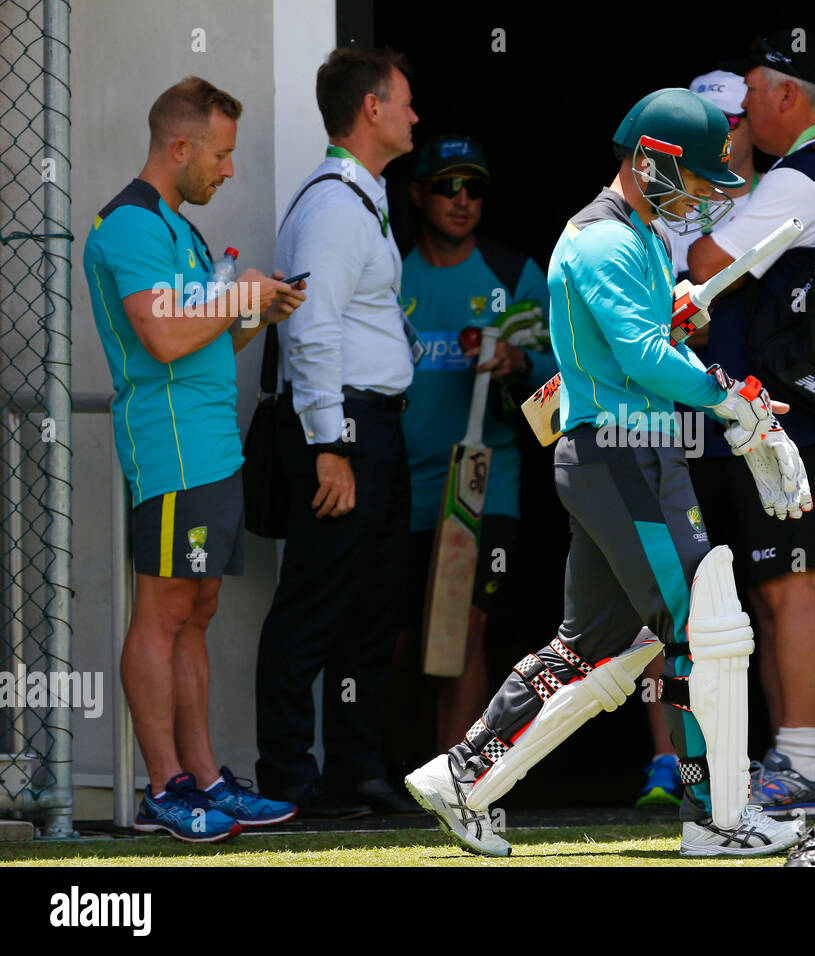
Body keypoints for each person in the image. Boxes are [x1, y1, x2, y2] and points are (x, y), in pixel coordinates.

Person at [405, 87, 811, 857]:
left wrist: (673, 312)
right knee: (701, 629)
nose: (696, 197)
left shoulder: (640, 238)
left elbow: (643, 341)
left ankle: (460, 778)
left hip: (633, 455)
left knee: (588, 646)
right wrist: (733, 400)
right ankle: (716, 819)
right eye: (690, 180)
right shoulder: (602, 242)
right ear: (652, 163)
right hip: (618, 457)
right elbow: (641, 359)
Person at [84, 76, 305, 842]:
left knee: (197, 611)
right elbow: (165, 339)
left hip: (211, 449)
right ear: (180, 147)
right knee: (165, 609)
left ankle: (206, 777)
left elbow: (207, 340)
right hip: (172, 450)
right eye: (222, 153)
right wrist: (233, 294)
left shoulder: (181, 228)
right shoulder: (130, 229)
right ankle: (165, 786)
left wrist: (253, 310)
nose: (229, 169)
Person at [687, 31, 815, 816]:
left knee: (792, 585)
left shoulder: (801, 177)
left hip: (786, 412)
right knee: (813, 582)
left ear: (786, 98)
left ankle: (796, 764)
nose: (742, 113)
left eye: (751, 94)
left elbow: (705, 265)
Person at [255, 47, 421, 817]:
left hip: (373, 425)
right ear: (372, 110)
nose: (416, 115)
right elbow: (310, 333)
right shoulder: (331, 205)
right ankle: (289, 774)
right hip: (344, 425)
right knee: (316, 601)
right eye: (406, 102)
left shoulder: (364, 200)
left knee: (372, 606)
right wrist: (331, 447)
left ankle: (356, 767)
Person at [386, 134, 555, 773]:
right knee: (404, 642)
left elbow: (563, 392)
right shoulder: (389, 268)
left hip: (486, 481)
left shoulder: (514, 276)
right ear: (418, 194)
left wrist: (518, 360)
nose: (462, 200)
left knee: (467, 627)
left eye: (475, 188)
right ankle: (395, 780)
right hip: (401, 486)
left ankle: (457, 780)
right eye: (448, 186)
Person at [634, 68, 760, 810]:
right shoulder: (644, 209)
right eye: (703, 125)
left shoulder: (768, 200)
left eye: (730, 122)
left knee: (738, 608)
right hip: (663, 426)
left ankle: (730, 759)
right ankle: (669, 760)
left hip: (733, 426)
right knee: (666, 604)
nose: (718, 136)